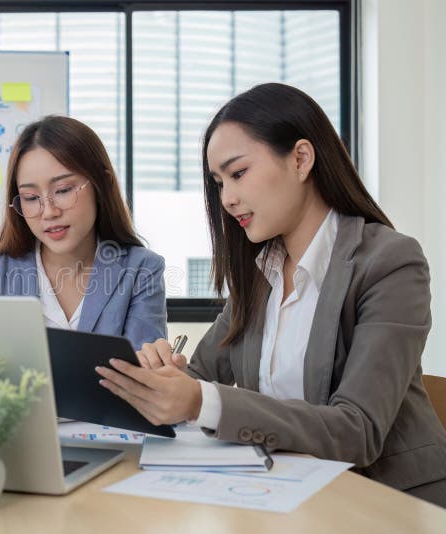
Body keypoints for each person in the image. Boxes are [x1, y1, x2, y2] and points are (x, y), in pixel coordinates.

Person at [96, 83, 446, 506]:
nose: (226, 198)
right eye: (218, 182)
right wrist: (163, 378)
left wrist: (197, 399)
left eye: (238, 173)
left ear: (301, 158)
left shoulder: (389, 262)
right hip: (285, 494)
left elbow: (358, 431)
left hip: (387, 502)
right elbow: (201, 376)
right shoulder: (260, 273)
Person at [0, 115, 167, 349]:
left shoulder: (141, 270)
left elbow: (144, 375)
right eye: (31, 197)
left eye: (63, 190)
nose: (48, 212)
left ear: (102, 185)